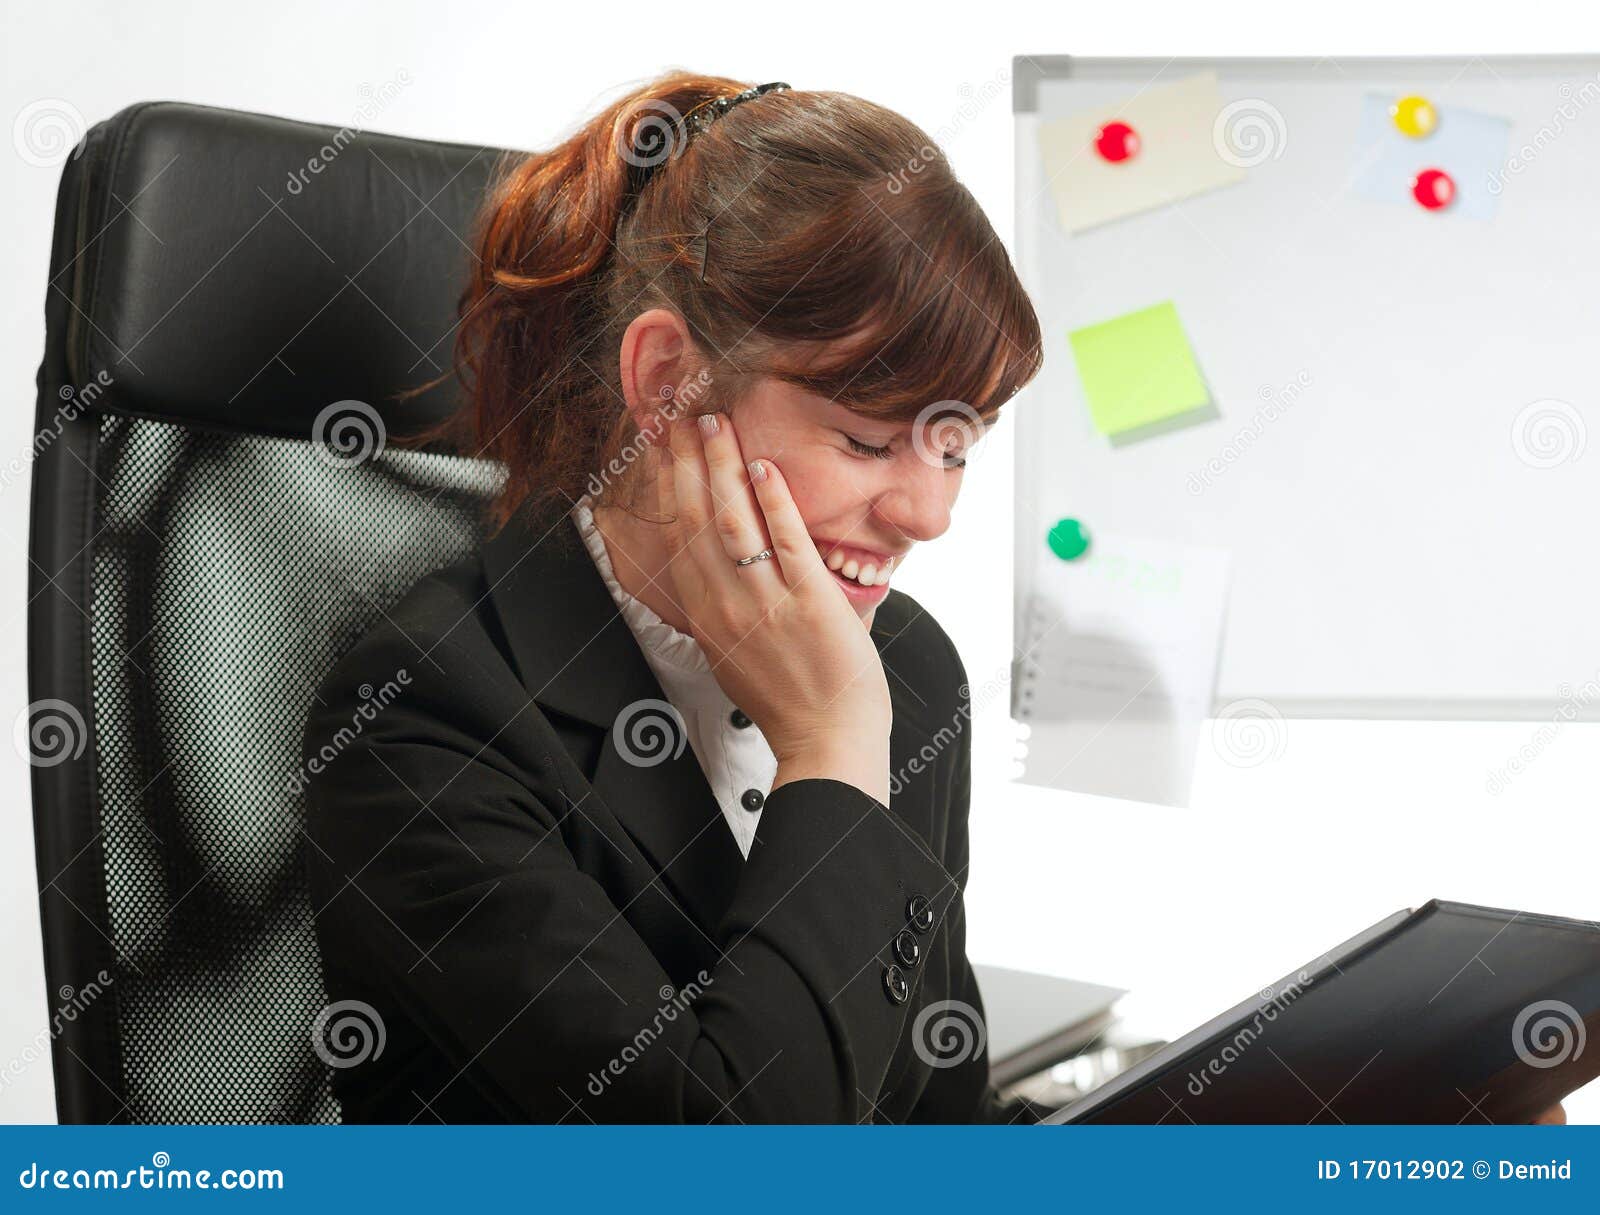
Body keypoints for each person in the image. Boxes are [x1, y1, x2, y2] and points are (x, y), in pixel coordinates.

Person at [302, 71, 1046, 1123]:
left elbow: (933, 1116)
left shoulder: (908, 668)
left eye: (955, 445)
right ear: (667, 383)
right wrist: (830, 748)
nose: (928, 515)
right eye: (869, 438)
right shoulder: (424, 714)